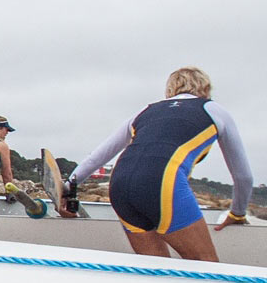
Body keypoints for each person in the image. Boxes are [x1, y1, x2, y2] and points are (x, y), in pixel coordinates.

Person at [71, 67, 255, 261]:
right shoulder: (214, 110)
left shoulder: (145, 111)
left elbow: (97, 157)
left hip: (119, 185)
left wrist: (68, 187)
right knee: (208, 270)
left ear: (170, 89)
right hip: (162, 184)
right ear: (206, 88)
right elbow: (243, 177)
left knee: (156, 273)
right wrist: (237, 212)